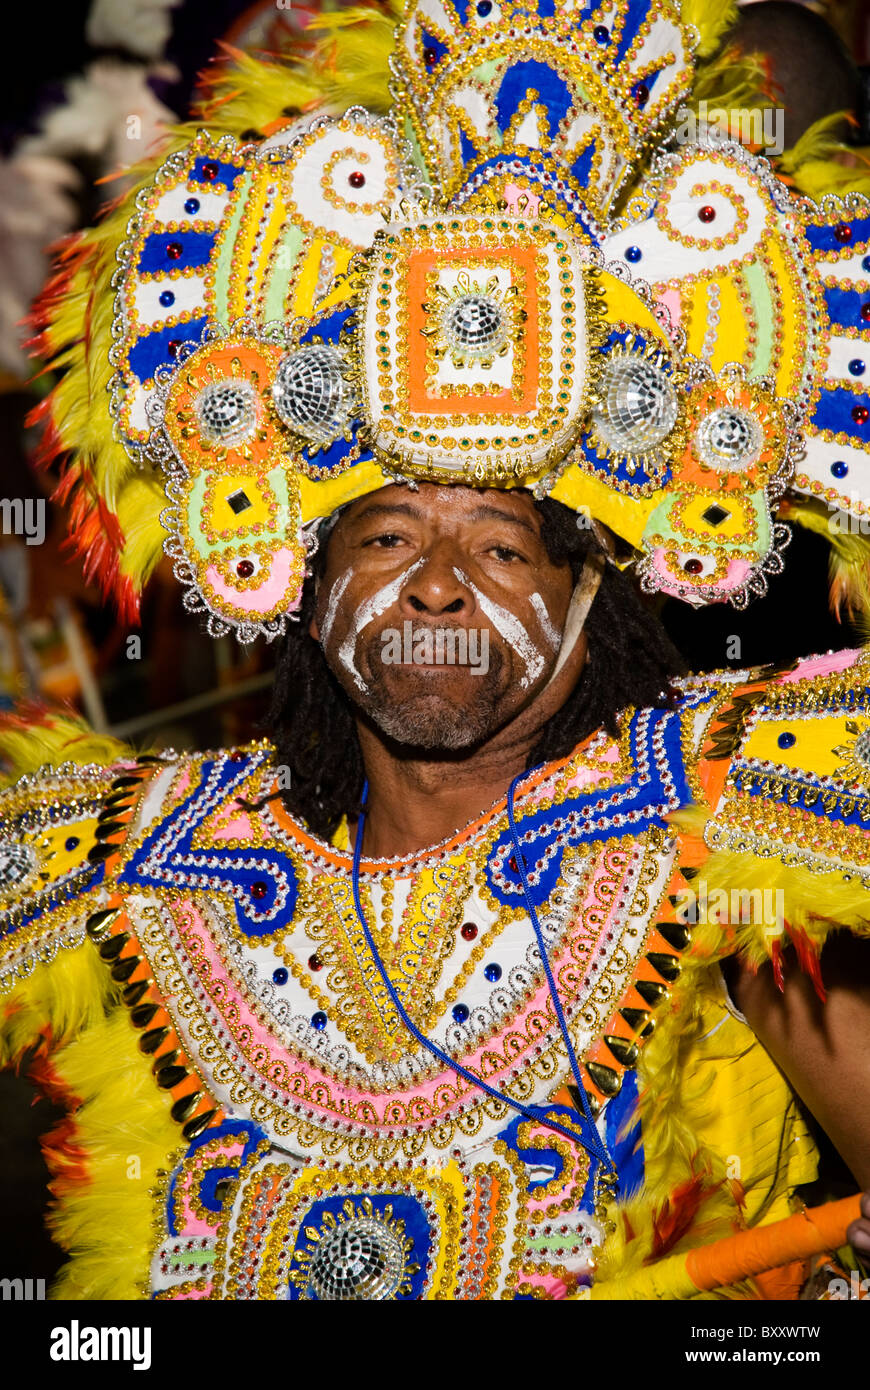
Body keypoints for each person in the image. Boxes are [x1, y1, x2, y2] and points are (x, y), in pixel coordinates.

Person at [2, 0, 870, 1301]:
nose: (440, 587)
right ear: (299, 579)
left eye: (504, 547)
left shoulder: (729, 832)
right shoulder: (135, 862)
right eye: (390, 533)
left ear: (593, 596)